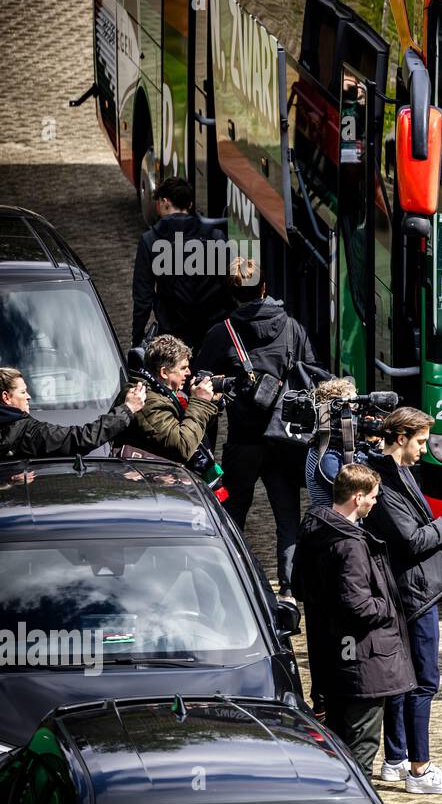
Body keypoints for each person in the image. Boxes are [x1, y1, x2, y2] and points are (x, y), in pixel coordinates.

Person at [195, 256, 322, 599]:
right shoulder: (292, 327)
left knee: (233, 513)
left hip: (243, 441)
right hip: (285, 439)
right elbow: (311, 376)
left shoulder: (222, 334)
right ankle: (291, 590)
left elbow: (200, 386)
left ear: (232, 295)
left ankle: (231, 584)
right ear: (265, 288)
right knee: (287, 520)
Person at [363, 407, 442, 795]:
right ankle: (419, 770)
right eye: (421, 442)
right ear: (401, 438)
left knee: (402, 680)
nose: (423, 450)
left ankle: (394, 760)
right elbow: (413, 541)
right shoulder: (388, 483)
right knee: (423, 682)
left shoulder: (397, 472)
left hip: (409, 590)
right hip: (413, 593)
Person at [292, 463, 416, 773]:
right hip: (365, 660)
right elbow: (357, 605)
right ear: (357, 497)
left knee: (338, 739)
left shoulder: (315, 530)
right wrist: (388, 605)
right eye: (372, 496)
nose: (376, 502)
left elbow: (300, 586)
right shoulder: (351, 544)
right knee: (362, 745)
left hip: (333, 653)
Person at [131, 176, 231, 349]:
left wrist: (137, 338)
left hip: (173, 334)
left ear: (165, 202)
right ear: (190, 205)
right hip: (211, 332)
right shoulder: (216, 237)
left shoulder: (150, 241)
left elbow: (143, 297)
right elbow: (228, 287)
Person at [118, 334, 221, 479]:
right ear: (164, 372)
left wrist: (209, 403)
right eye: (183, 368)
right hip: (152, 484)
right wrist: (200, 402)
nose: (189, 372)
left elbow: (193, 429)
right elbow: (183, 446)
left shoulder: (165, 392)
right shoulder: (146, 401)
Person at [1, 366, 145, 460]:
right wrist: (128, 409)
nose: (29, 396)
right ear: (6, 397)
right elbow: (80, 439)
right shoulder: (28, 431)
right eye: (23, 392)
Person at [305, 377, 359, 508]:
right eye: (352, 411)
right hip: (337, 524)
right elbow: (355, 496)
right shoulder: (328, 457)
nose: (356, 417)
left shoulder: (323, 445)